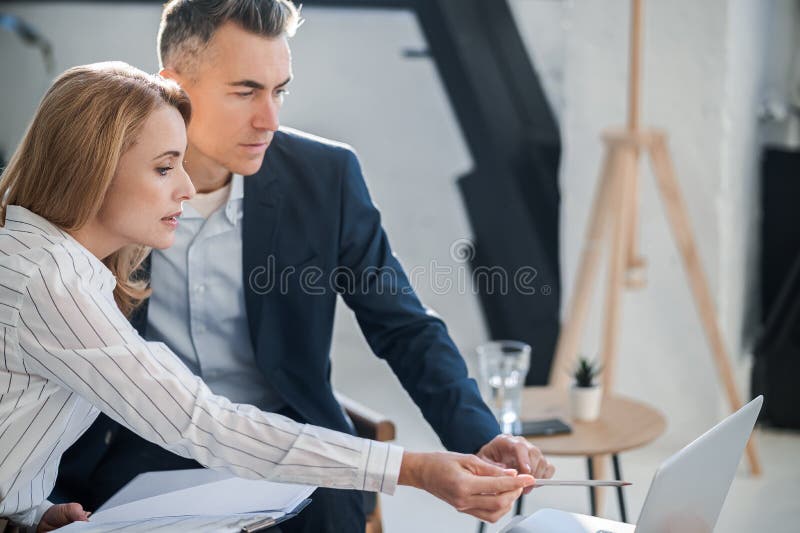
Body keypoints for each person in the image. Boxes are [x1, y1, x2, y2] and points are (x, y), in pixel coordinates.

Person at [57, 1, 556, 531]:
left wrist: (479, 437)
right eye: (245, 91)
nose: (269, 119)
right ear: (173, 88)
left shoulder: (326, 177)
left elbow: (405, 327)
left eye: (279, 91)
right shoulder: (104, 181)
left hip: (300, 446)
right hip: (144, 446)